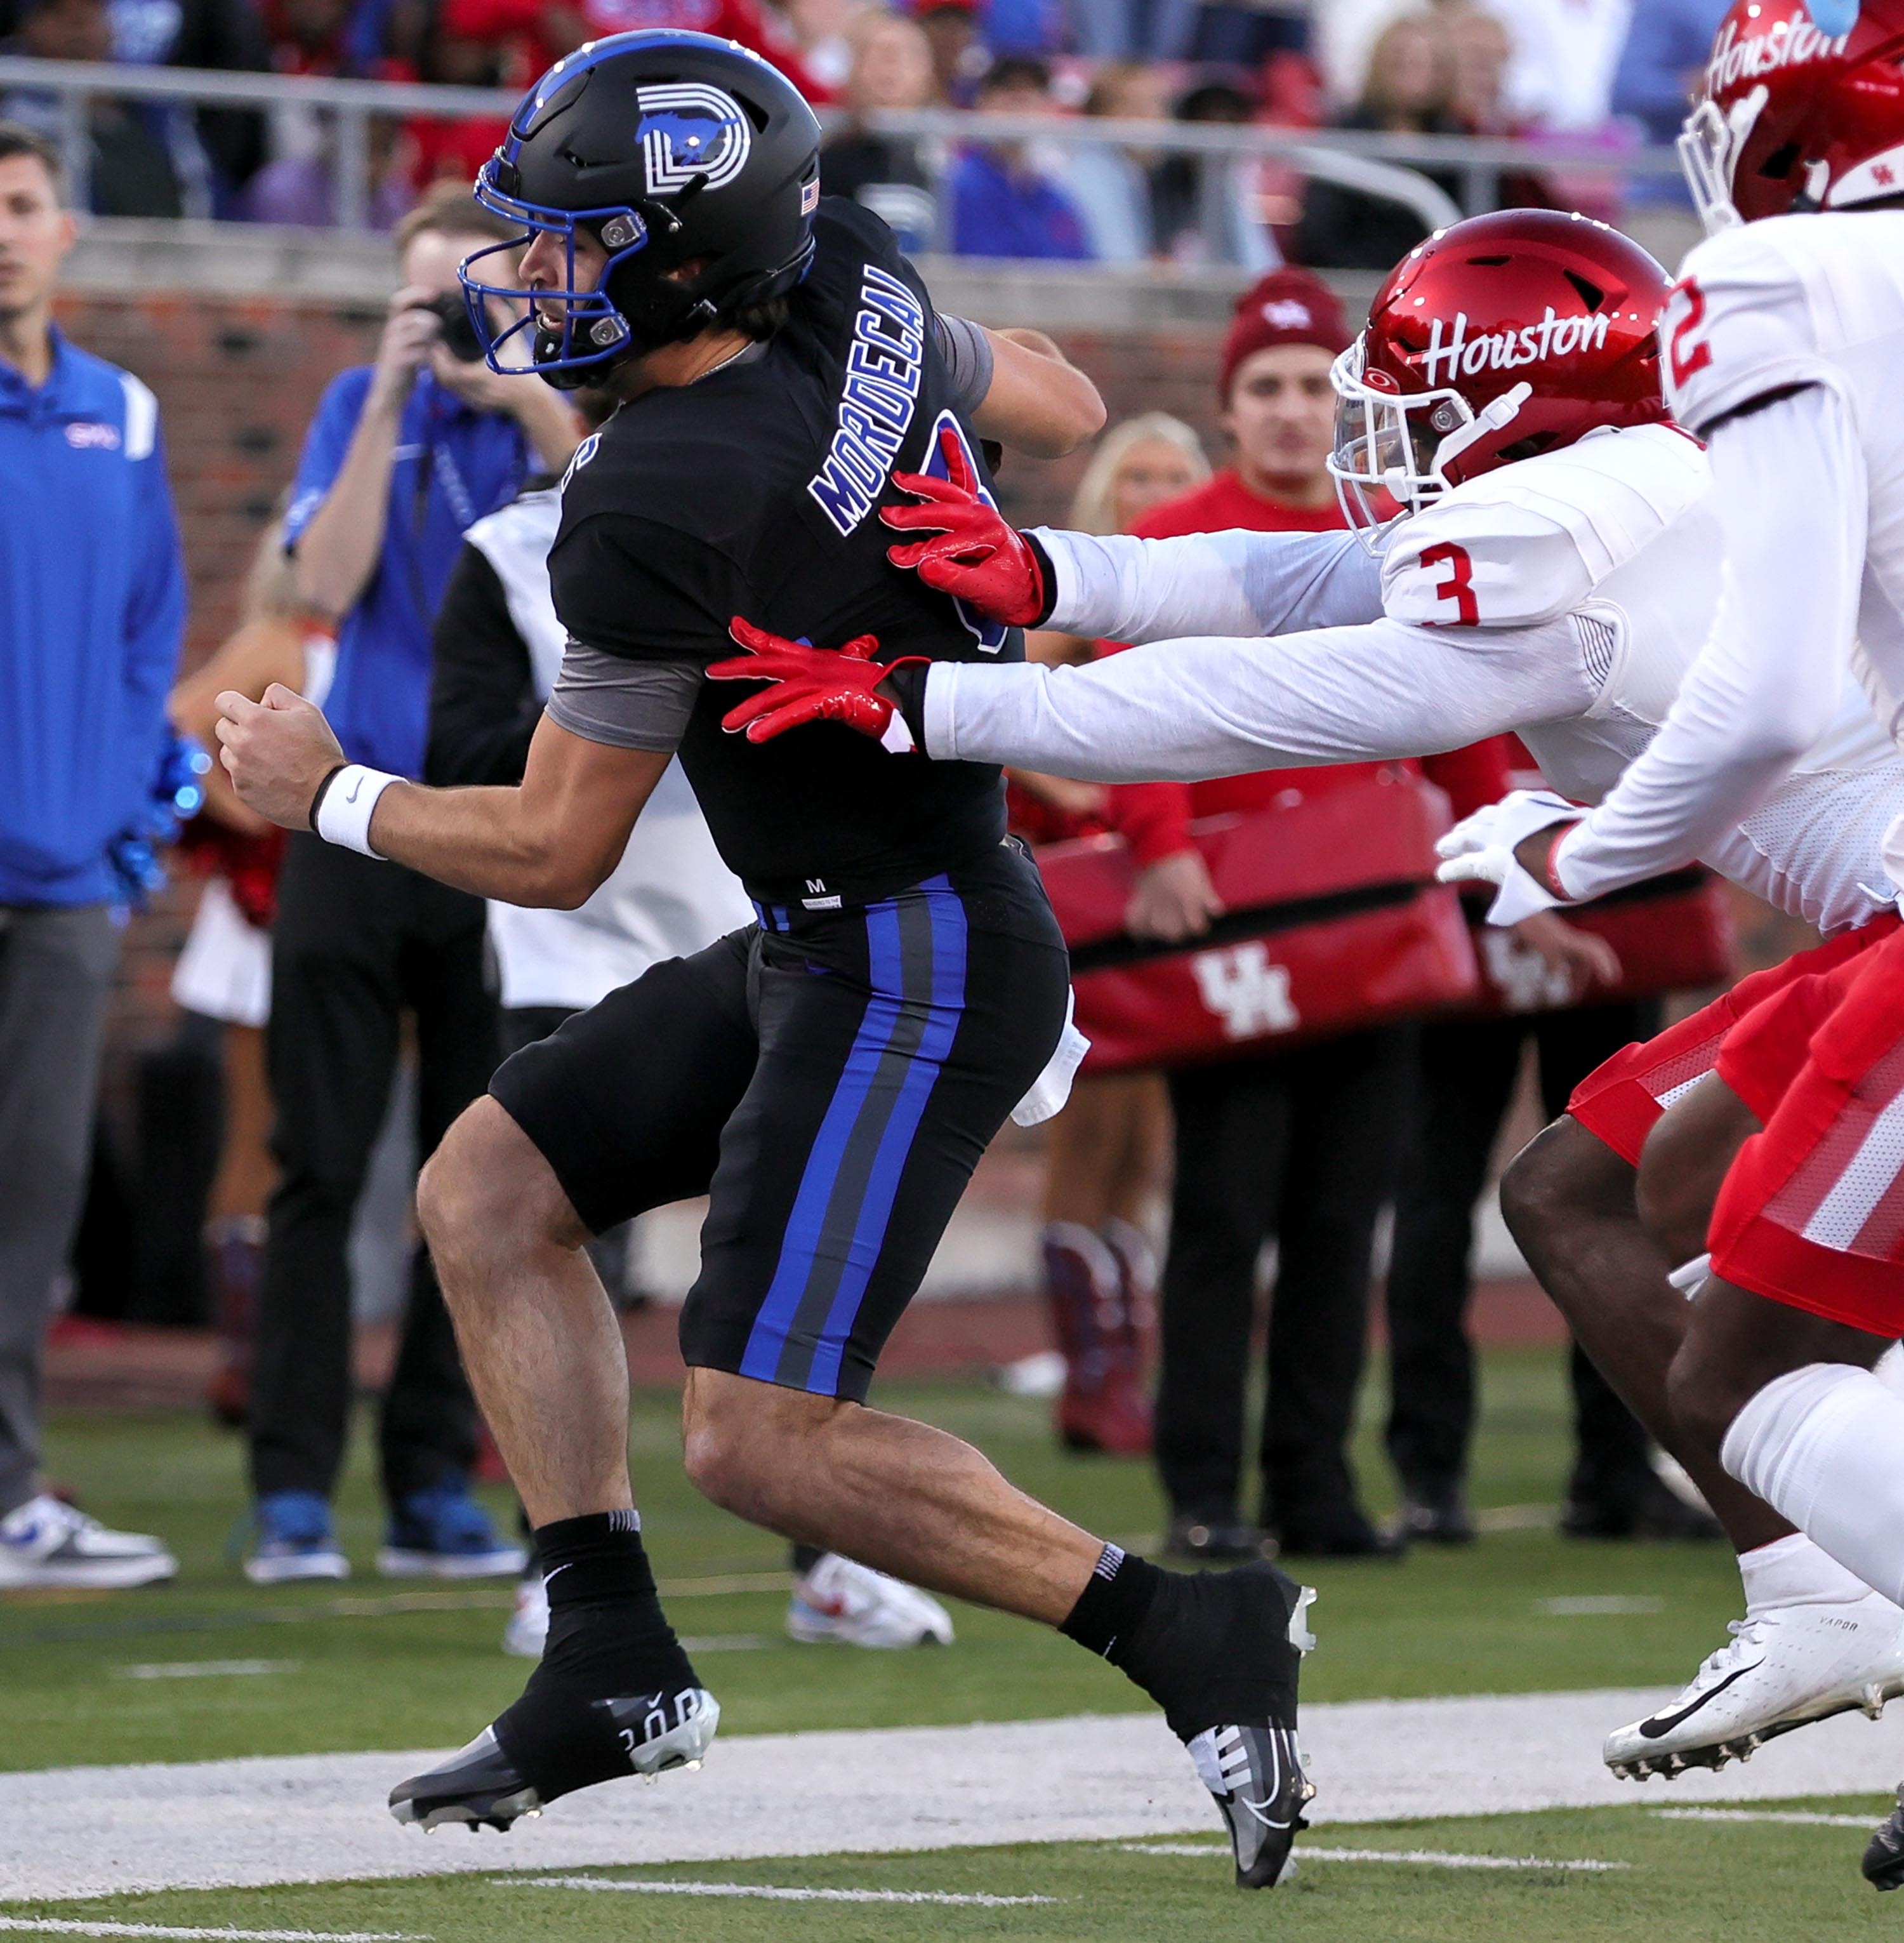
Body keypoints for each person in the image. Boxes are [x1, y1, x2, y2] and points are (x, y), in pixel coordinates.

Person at [213, 30, 1320, 1895]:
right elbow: (1040, 395)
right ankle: (610, 1658)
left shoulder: (651, 492)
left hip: (917, 954)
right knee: (487, 1192)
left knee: (762, 1438)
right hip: (836, 924)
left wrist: (329, 795)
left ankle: (1186, 1633)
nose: (535, 276)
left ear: (683, 256)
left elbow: (555, 849)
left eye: (570, 243)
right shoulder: (847, 274)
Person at [708, 201, 1904, 1784]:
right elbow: (1301, 579)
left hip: (1888, 948)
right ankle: (1810, 1589)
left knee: (1747, 1345)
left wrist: (928, 701)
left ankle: (1843, 1586)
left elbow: (1272, 700)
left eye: (1412, 401)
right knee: (1572, 1194)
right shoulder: (1616, 489)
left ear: (1508, 390)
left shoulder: (1557, 543)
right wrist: (1049, 568)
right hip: (1859, 946)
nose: (1379, 439)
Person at [1423, 1, 1904, 1872]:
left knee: (1738, 1375)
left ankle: (1832, 1614)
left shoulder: (1775, 275)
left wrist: (1576, 851)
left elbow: (1771, 684)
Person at [423, 413, 956, 1655]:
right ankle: (563, 1559)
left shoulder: (766, 512)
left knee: (792, 1238)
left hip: (739, 924)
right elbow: (465, 749)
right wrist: (617, 719)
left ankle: (832, 1550)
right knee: (552, 1233)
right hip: (576, 939)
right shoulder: (507, 549)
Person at [239, 179, 581, 1586]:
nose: (451, 320)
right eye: (428, 295)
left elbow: (589, 524)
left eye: (475, 295)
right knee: (319, 1165)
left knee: (480, 1170)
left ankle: (436, 1474)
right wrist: (387, 396)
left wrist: (512, 394)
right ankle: (292, 1493)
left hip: (487, 827)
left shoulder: (547, 414)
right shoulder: (353, 410)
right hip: (347, 817)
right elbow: (320, 580)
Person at [0, 123, 185, 1591]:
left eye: (21, 205)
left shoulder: (120, 414)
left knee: (35, 1190)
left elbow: (148, 631)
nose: (3, 230)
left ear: (67, 231)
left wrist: (122, 808)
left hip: (65, 881)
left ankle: (8, 1492)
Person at [1013, 411, 1210, 1456]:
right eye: (1138, 474)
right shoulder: (1085, 595)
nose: (1156, 490)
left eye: (1176, 472)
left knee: (1144, 1136)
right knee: (1092, 1122)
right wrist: (1094, 798)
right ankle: (1090, 1375)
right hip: (1089, 895)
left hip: (1173, 898)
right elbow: (1007, 713)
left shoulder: (1206, 595)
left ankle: (1118, 1361)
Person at [948, 56, 1093, 262]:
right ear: (983, 102)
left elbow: (1082, 263)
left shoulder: (1054, 195)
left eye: (1034, 91)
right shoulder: (959, 186)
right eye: (1008, 88)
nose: (1021, 99)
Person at [819, 9, 939, 255]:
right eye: (876, 54)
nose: (890, 65)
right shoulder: (829, 163)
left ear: (927, 74)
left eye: (904, 54)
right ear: (853, 72)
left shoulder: (949, 158)